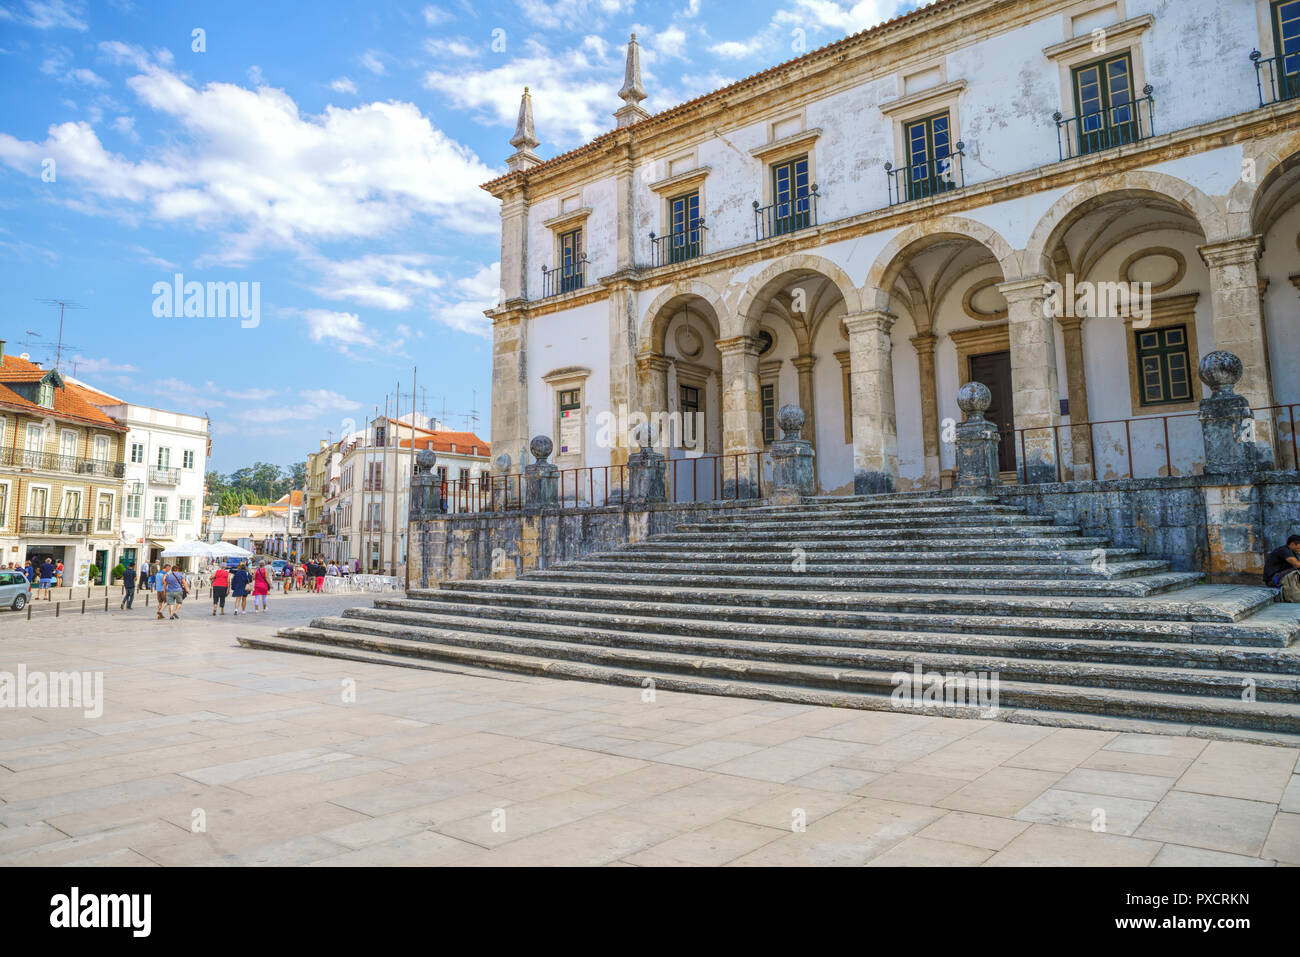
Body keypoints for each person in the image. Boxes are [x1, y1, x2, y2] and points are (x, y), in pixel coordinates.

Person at [1264, 535, 1300, 602]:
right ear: (1292, 544)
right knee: (1296, 571)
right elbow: (1297, 564)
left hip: (1278, 577)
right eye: (1299, 547)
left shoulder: (1292, 552)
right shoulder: (1284, 550)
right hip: (1273, 579)